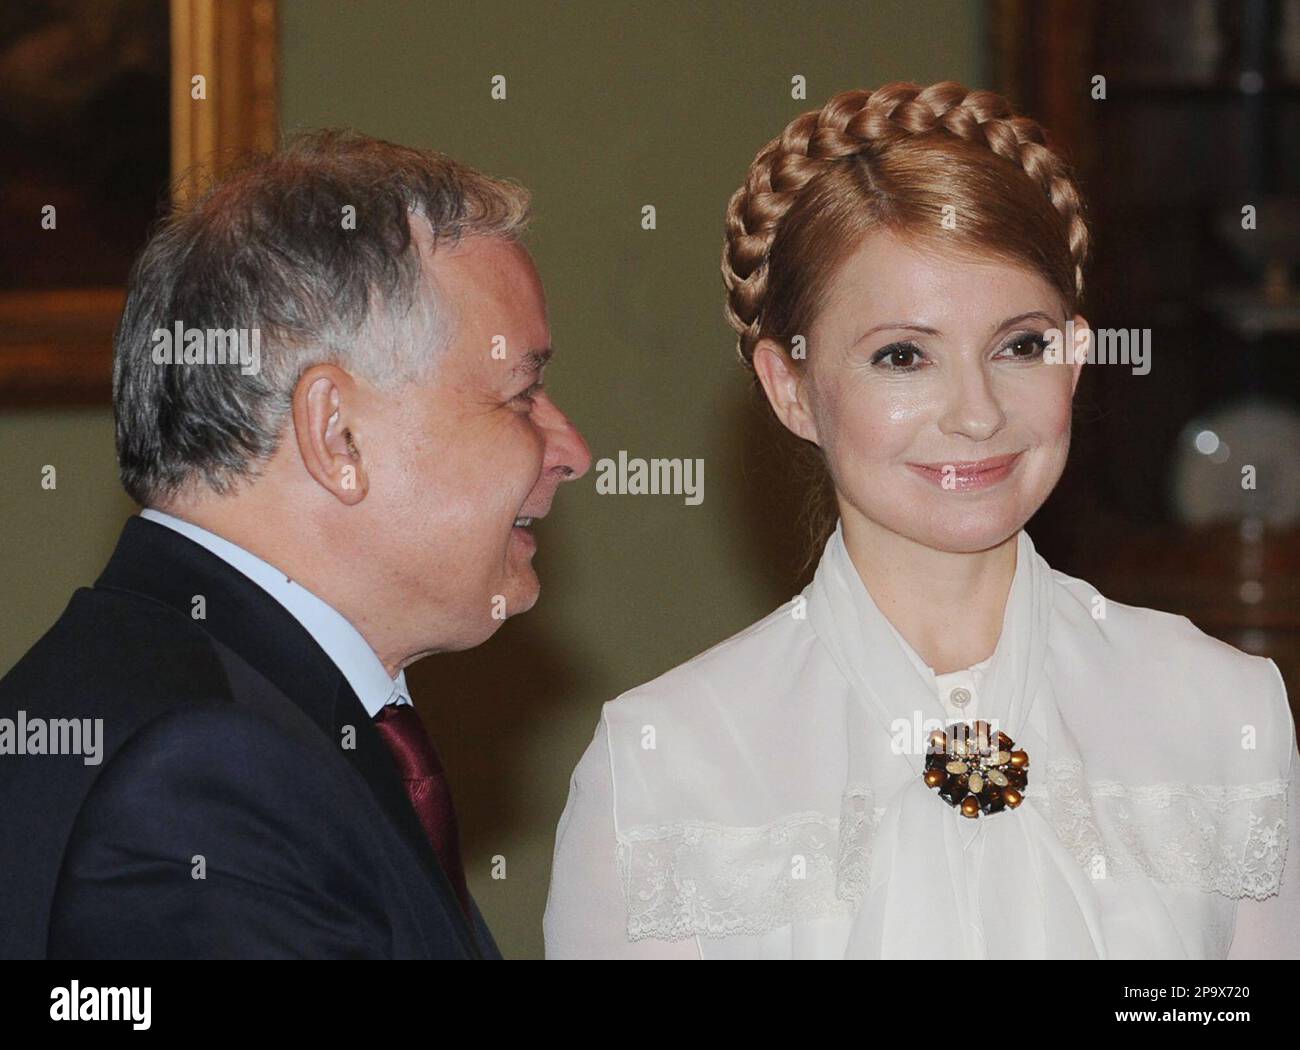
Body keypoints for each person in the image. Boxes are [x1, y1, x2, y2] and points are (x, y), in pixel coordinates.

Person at [543, 81, 1299, 959]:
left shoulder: (1219, 709)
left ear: (1077, 356)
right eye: (903, 356)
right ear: (790, 388)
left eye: (1020, 346)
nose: (976, 413)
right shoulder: (666, 761)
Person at [0, 130, 591, 959]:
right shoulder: (210, 776)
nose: (571, 451)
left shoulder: (173, 700)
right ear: (337, 435)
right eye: (522, 394)